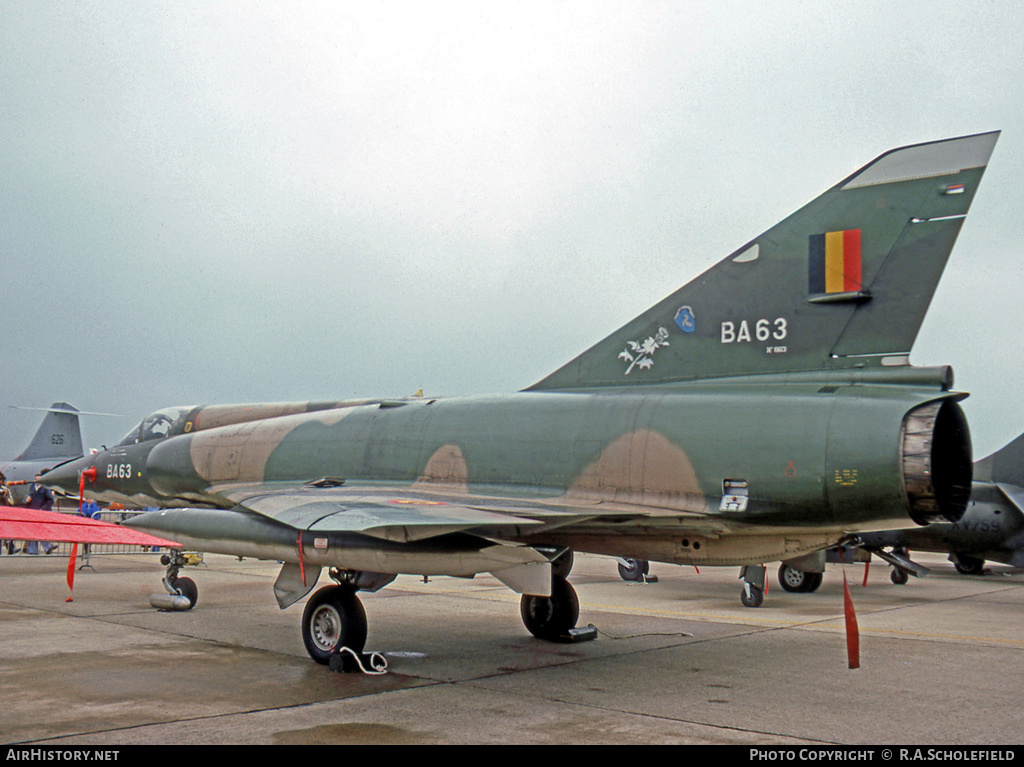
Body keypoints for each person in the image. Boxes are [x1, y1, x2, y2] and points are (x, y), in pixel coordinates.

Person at [24, 483, 57, 555]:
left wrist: (43, 509)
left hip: (41, 514)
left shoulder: (45, 488)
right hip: (33, 512)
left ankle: (44, 547)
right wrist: (27, 501)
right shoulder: (32, 487)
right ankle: (36, 549)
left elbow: (50, 500)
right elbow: (28, 496)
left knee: (39, 530)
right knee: (34, 530)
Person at [0, 473, 16, 554]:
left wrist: (5, 496)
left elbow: (12, 502)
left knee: (6, 532)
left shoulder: (5, 489)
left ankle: (10, 548)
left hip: (4, 514)